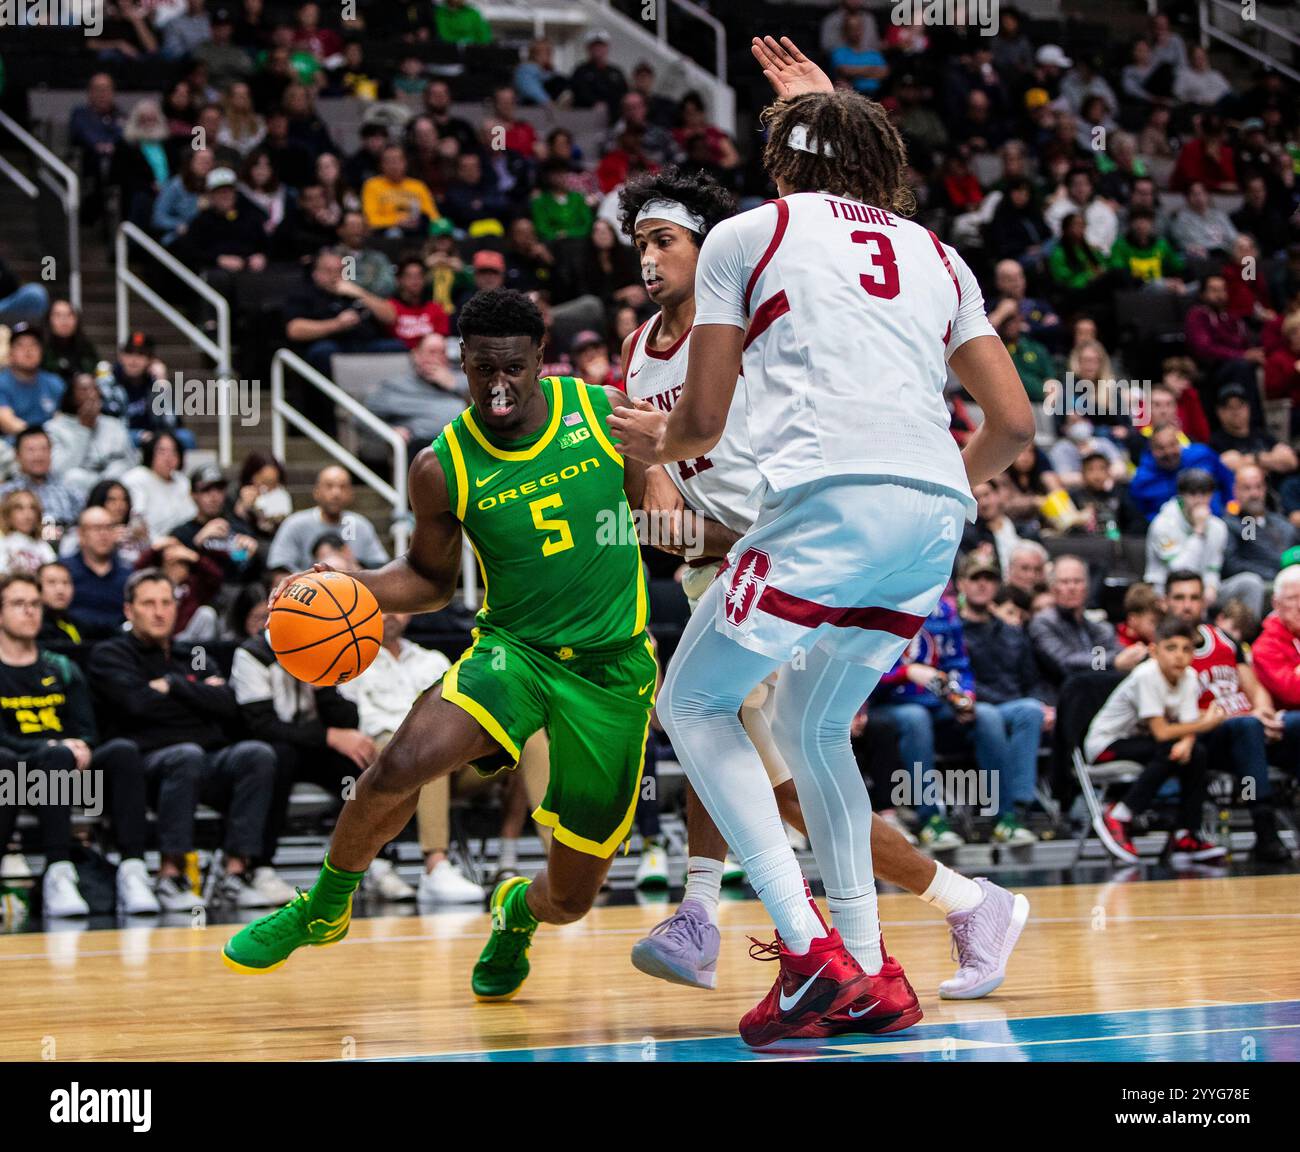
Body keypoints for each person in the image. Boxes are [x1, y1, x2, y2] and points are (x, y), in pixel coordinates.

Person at [610, 40, 1037, 1046]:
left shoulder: (745, 235)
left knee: (693, 700)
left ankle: (807, 957)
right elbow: (1014, 426)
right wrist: (932, 483)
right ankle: (874, 967)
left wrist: (655, 437)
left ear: (777, 158)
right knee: (808, 729)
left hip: (824, 506)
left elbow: (705, 423)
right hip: (933, 518)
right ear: (870, 152)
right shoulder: (937, 251)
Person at [223, 290, 660, 1010]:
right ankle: (325, 907)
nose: (497, 384)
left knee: (573, 899)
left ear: (540, 361)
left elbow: (660, 508)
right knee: (399, 763)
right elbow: (428, 581)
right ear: (460, 361)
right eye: (482, 367)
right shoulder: (441, 463)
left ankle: (517, 911)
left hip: (613, 670)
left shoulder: (601, 413)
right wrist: (346, 582)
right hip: (515, 652)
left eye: (513, 368)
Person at [88, 569, 280, 910]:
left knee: (257, 754)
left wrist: (174, 687)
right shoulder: (111, 654)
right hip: (142, 767)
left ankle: (234, 874)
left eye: (166, 603)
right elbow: (137, 706)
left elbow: (230, 705)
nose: (160, 611)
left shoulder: (193, 653)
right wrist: (198, 697)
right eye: (149, 603)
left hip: (203, 758)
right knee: (185, 755)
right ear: (129, 611)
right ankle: (170, 875)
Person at [228, 603, 412, 903]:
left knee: (360, 761)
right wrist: (328, 735)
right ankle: (261, 867)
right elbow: (260, 725)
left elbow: (349, 717)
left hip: (314, 748)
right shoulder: (252, 654)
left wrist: (322, 683)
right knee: (276, 757)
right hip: (270, 748)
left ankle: (376, 862)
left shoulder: (334, 646)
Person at [0, 571, 160, 914]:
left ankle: (133, 870)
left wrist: (78, 746)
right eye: (18, 604)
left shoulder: (61, 666)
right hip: (12, 782)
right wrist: (47, 750)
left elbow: (88, 729)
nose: (29, 612)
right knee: (42, 757)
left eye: (34, 604)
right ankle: (59, 872)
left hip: (72, 778)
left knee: (122, 752)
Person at [336, 612, 485, 903]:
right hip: (382, 752)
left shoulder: (434, 660)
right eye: (382, 607)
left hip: (443, 754)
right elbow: (349, 722)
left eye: (398, 606)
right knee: (428, 749)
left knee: (523, 739)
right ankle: (435, 865)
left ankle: (554, 857)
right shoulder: (348, 659)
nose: (391, 614)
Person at [1164, 570, 1292, 862]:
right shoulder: (1165, 650)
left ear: (1204, 603)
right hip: (1205, 738)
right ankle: (1265, 830)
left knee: (1290, 725)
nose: (1187, 605)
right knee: (1245, 727)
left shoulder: (1222, 639)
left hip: (1249, 729)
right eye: (1179, 598)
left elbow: (1254, 688)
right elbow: (1171, 715)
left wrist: (1263, 712)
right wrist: (1239, 720)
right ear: (1166, 603)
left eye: (1194, 598)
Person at [1082, 616, 1227, 864]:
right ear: (1154, 650)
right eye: (1171, 648)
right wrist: (1205, 725)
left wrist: (1188, 741)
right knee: (1169, 749)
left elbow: (1185, 726)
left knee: (1196, 753)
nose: (1179, 656)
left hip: (1145, 742)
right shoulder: (1146, 675)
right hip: (1107, 744)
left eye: (1186, 649)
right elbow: (1162, 732)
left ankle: (1186, 834)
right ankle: (1119, 814)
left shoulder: (1190, 677)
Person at [1028, 555, 1148, 700]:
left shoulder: (1099, 628)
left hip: (1096, 696)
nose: (1072, 587)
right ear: (1053, 589)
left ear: (1087, 587)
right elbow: (1066, 663)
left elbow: (1112, 654)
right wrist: (1113, 662)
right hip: (1058, 698)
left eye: (1077, 581)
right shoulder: (1043, 622)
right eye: (1064, 582)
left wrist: (1133, 655)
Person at [266, 464, 389, 573]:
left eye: (343, 487)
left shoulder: (361, 526)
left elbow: (380, 568)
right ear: (316, 492)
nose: (336, 493)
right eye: (329, 486)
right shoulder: (295, 524)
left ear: (351, 494)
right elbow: (278, 570)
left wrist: (352, 566)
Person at [46, 373, 138, 496]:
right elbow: (59, 472)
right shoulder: (54, 428)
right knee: (73, 477)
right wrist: (84, 430)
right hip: (79, 484)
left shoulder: (114, 424)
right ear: (72, 396)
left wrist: (108, 478)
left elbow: (130, 461)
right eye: (84, 390)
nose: (92, 395)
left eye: (95, 388)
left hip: (113, 482)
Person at [1144, 468, 1230, 600]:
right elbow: (1180, 571)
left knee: (1249, 583)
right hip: (1164, 593)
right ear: (1181, 495)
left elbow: (1213, 568)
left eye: (1204, 493)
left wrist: (1211, 586)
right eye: (1193, 494)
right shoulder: (1162, 524)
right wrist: (1199, 531)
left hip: (1202, 592)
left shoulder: (1218, 527)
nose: (1199, 500)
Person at [369, 333, 468, 444]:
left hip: (468, 445)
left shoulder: (463, 380)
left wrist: (454, 385)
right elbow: (361, 418)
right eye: (432, 352)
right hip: (425, 447)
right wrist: (389, 431)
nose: (438, 358)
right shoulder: (395, 388)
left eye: (443, 352)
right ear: (416, 355)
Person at [172, 463, 263, 582]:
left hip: (236, 594)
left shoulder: (240, 528)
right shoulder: (182, 533)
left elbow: (254, 575)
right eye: (206, 490)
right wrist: (197, 543)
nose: (214, 496)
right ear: (193, 495)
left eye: (219, 489)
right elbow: (177, 577)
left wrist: (254, 554)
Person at [1130, 424, 1235, 520]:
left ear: (1179, 443)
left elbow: (1228, 481)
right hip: (1171, 534)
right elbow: (1141, 515)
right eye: (1161, 448)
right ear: (1151, 450)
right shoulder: (1142, 480)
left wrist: (1231, 508)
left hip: (1218, 521)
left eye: (1172, 445)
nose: (1168, 452)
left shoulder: (1202, 455)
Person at [63, 504, 134, 640]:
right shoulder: (64, 572)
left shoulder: (128, 576)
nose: (103, 534)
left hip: (119, 646)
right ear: (81, 534)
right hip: (73, 643)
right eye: (96, 528)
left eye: (109, 528)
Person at [0, 427, 84, 529]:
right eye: (31, 450)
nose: (38, 456)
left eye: (44, 449)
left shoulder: (70, 490)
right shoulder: (5, 493)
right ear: (17, 455)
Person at [121, 431, 197, 540]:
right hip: (150, 544)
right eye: (162, 451)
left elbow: (193, 516)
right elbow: (138, 521)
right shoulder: (136, 478)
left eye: (174, 451)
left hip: (183, 542)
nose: (168, 457)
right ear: (151, 452)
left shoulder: (182, 481)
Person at [0, 325, 65, 438]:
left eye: (34, 344)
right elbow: (8, 423)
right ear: (10, 353)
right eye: (20, 345)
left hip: (52, 444)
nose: (28, 350)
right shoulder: (2, 383)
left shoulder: (55, 382)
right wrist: (38, 439)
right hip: (13, 446)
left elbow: (63, 419)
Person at [0, 490, 56, 574]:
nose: (27, 514)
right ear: (8, 514)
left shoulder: (44, 547)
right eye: (19, 508)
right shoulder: (3, 544)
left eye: (32, 508)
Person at [36, 561, 83, 655]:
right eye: (51, 582)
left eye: (66, 582)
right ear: (37, 587)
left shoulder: (77, 623)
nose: (60, 590)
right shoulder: (35, 628)